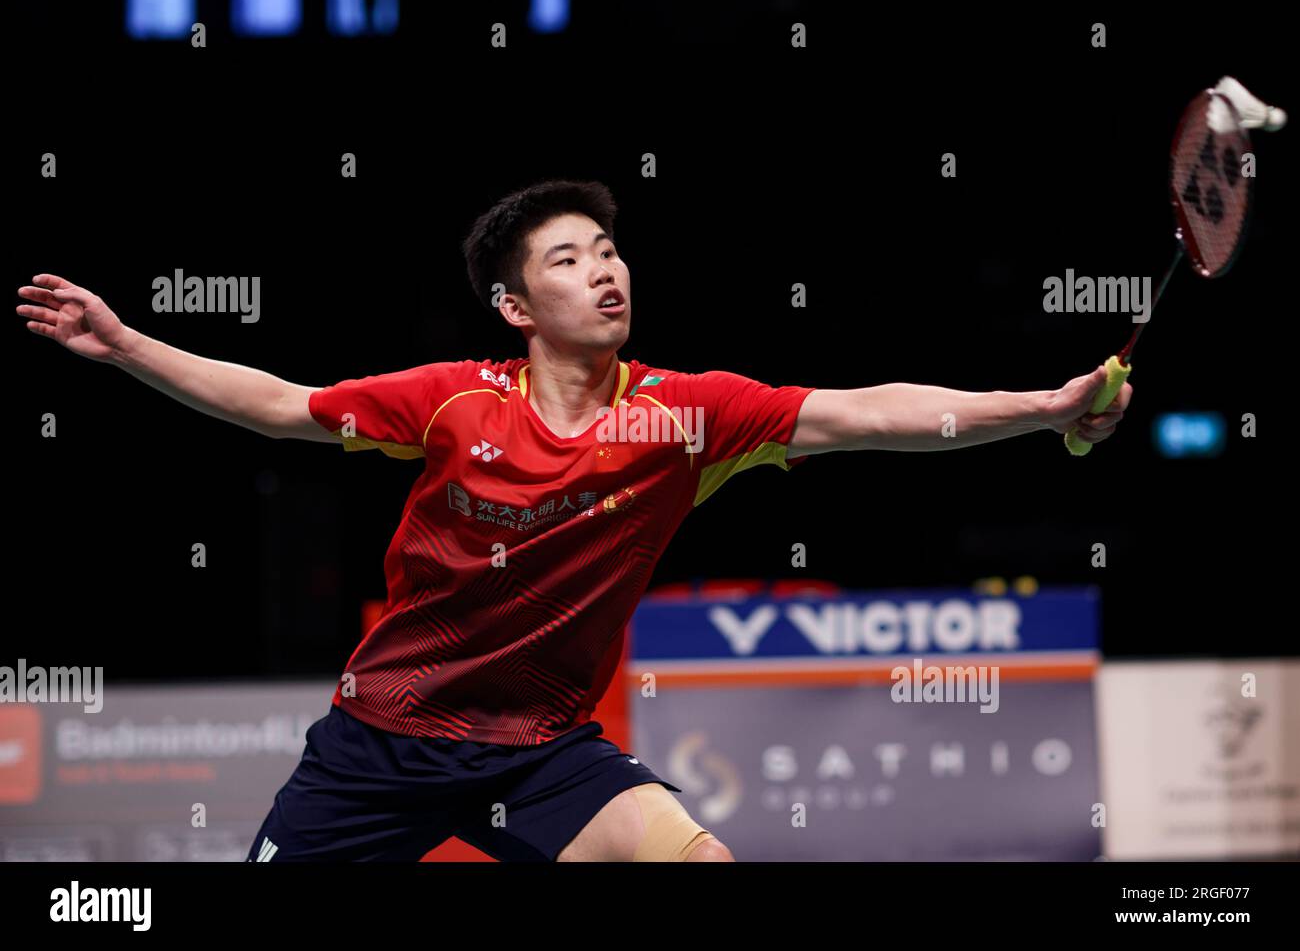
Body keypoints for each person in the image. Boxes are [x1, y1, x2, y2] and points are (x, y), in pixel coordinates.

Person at [17, 179, 1131, 862]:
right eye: (567, 259)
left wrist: (1040, 409)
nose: (603, 272)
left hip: (538, 757)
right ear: (515, 306)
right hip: (377, 748)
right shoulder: (455, 399)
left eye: (608, 252)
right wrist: (126, 345)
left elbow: (873, 411)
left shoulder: (684, 416)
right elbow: (274, 404)